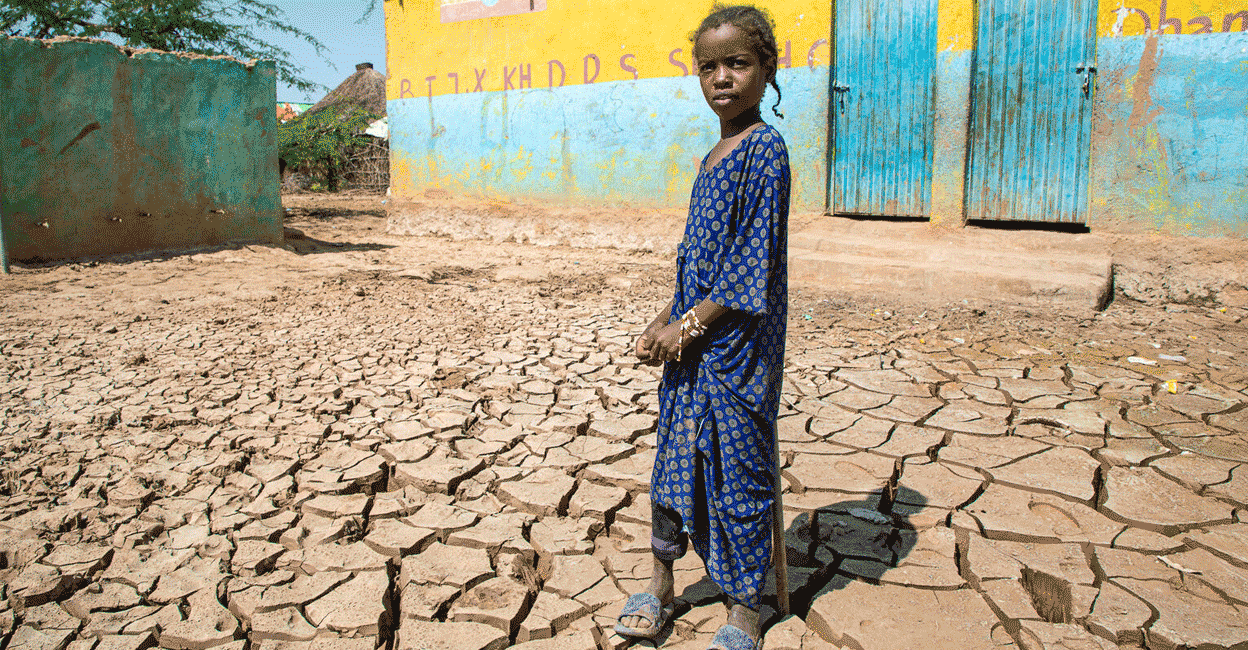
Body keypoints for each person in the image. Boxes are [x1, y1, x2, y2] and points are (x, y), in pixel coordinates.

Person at [615, 5, 789, 650]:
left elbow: (748, 272)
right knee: (673, 463)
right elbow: (699, 263)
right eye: (708, 66)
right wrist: (666, 318)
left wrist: (684, 329)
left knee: (738, 474)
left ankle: (747, 605)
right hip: (694, 345)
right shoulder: (715, 153)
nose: (722, 77)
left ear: (767, 69)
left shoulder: (764, 151)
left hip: (737, 350)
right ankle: (659, 581)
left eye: (738, 63)